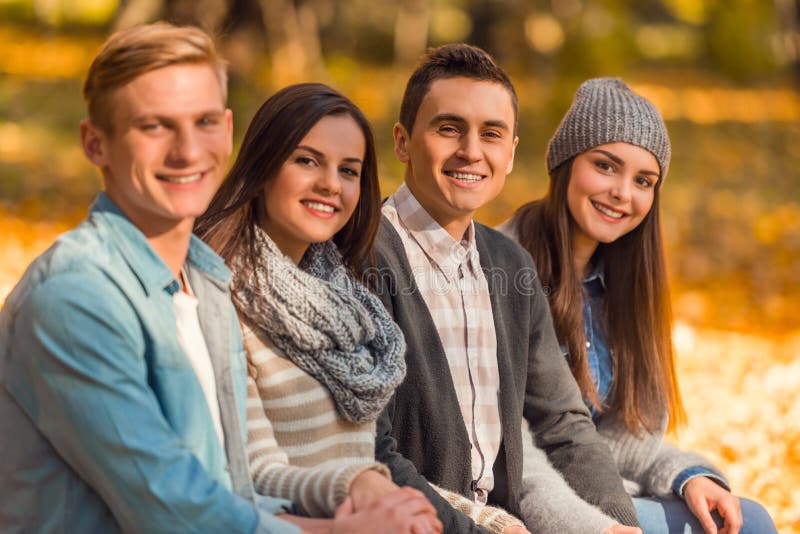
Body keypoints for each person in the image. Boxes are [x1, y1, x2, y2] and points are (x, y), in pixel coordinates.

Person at [0, 23, 384, 534]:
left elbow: (231, 493)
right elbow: (171, 508)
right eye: (154, 126)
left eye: (203, 122)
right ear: (95, 144)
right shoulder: (75, 296)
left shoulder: (206, 285)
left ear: (227, 131)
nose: (187, 150)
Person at [196, 81, 526, 534]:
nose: (330, 184)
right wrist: (362, 489)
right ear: (263, 164)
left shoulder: (343, 298)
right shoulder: (223, 294)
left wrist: (483, 519)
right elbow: (252, 473)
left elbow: (373, 460)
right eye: (307, 160)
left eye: (348, 171)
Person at [366, 44, 642, 534]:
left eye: (491, 134)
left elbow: (564, 427)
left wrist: (615, 525)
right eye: (449, 129)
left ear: (511, 154)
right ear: (403, 142)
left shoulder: (508, 265)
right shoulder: (366, 256)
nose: (472, 151)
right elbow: (372, 447)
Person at [501, 77, 777, 534]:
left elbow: (628, 439)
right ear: (566, 163)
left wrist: (690, 476)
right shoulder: (507, 268)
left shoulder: (623, 288)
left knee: (741, 518)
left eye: (643, 180)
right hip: (535, 505)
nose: (623, 193)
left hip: (607, 491)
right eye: (606, 166)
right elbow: (511, 448)